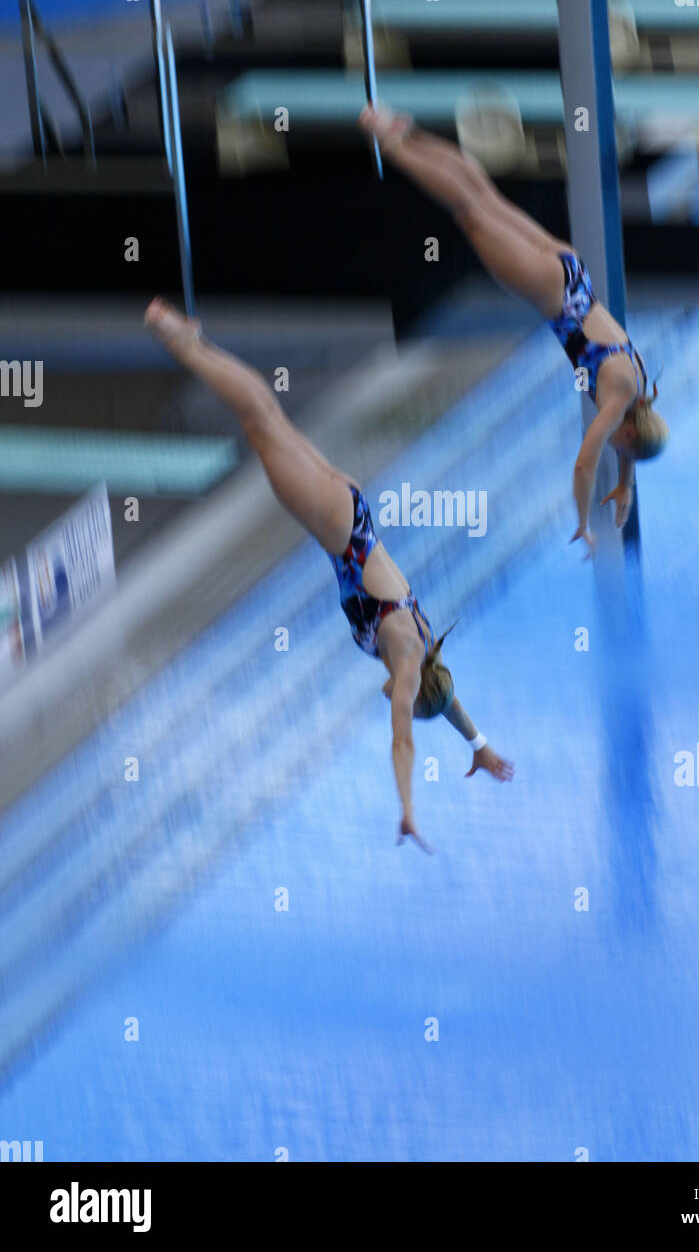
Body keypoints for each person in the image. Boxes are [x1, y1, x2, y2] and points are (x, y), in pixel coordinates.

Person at [144, 298, 514, 851]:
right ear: (411, 694)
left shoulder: (424, 656)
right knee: (258, 424)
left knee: (267, 419)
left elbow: (447, 698)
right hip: (337, 526)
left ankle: (194, 343)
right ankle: (181, 343)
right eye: (404, 699)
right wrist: (408, 809)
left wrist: (479, 744)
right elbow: (403, 744)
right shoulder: (408, 666)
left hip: (349, 511)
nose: (395, 697)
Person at [359, 104, 669, 561]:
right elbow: (585, 464)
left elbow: (627, 443)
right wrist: (583, 524)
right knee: (469, 212)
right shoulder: (619, 400)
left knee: (484, 197)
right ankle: (392, 146)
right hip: (551, 293)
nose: (614, 446)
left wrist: (625, 485)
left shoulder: (638, 390)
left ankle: (407, 132)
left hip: (571, 272)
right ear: (627, 436)